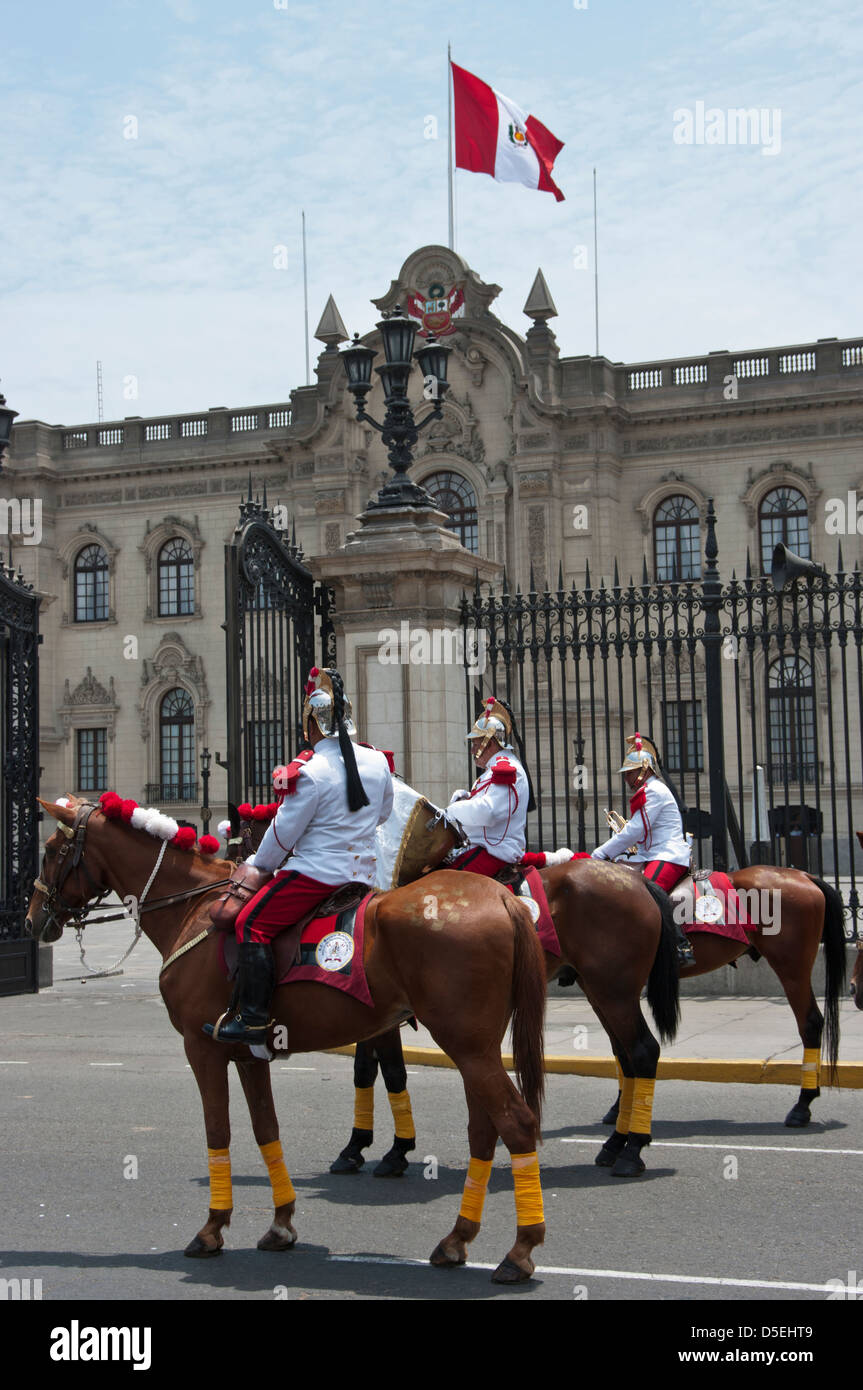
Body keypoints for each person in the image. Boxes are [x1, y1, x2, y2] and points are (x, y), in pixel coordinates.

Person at [204, 667, 394, 1044]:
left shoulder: (310, 771)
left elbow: (283, 833)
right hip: (363, 876)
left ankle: (254, 1019)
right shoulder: (376, 762)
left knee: (250, 925)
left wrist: (257, 865)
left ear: (312, 726)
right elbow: (384, 814)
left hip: (318, 875)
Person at [591, 732, 695, 966]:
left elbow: (636, 830)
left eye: (630, 773)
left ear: (645, 769)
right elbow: (640, 832)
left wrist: (601, 853)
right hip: (652, 853)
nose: (626, 778)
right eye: (626, 774)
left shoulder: (654, 790)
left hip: (668, 855)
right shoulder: (648, 791)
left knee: (649, 894)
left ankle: (681, 945)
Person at [444, 697, 534, 878]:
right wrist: (468, 797)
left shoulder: (506, 768)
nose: (472, 750)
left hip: (494, 852)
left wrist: (453, 810)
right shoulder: (492, 770)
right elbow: (495, 801)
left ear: (490, 743)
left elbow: (489, 812)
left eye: (475, 744)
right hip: (482, 847)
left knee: (445, 884)